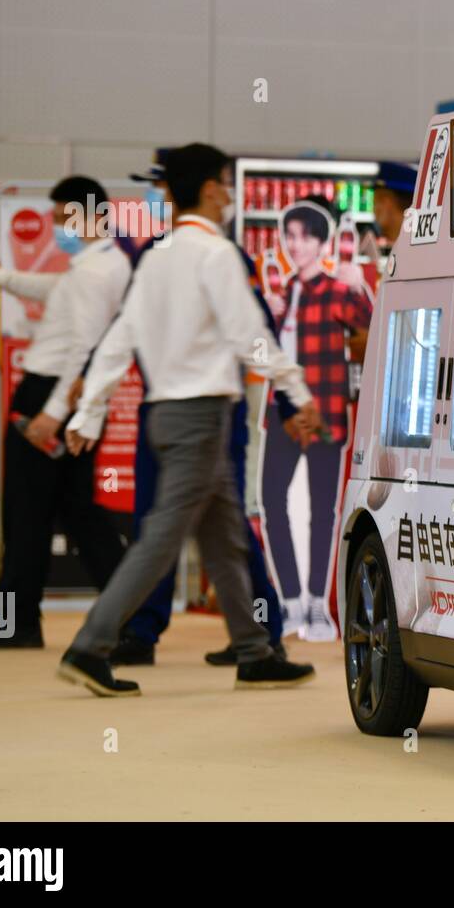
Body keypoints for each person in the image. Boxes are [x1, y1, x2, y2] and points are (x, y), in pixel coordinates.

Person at [58, 143, 320, 697]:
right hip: (202, 417)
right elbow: (250, 336)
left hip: (166, 415)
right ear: (207, 189)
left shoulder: (156, 256)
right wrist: (295, 391)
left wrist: (89, 412)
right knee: (160, 540)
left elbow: (119, 339)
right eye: (225, 182)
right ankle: (90, 646)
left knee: (224, 540)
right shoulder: (216, 254)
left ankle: (254, 652)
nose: (230, 192)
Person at [99, 166, 296, 667]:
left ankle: (258, 632)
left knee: (216, 531)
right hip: (163, 406)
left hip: (212, 411)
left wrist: (293, 398)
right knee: (170, 523)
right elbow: (127, 328)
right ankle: (146, 632)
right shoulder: (155, 253)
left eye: (162, 185)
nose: (159, 194)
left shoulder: (220, 254)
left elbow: (257, 328)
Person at [0, 176, 131, 649]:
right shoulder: (99, 266)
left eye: (61, 217)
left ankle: (18, 624)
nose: (56, 227)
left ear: (89, 215)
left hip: (50, 396)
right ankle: (129, 616)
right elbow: (51, 289)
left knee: (26, 514)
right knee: (80, 513)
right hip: (67, 400)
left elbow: (83, 351)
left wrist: (51, 414)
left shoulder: (92, 274)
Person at [260, 197, 372, 640]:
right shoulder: (282, 292)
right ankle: (290, 602)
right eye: (290, 236)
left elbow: (370, 327)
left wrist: (359, 287)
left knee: (323, 510)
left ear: (322, 243)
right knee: (273, 503)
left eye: (305, 237)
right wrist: (267, 315)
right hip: (282, 411)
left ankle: (315, 604)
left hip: (322, 413)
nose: (296, 245)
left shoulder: (336, 290)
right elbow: (261, 354)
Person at [357, 161, 415, 263]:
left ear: (386, 202)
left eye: (375, 203)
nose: (374, 211)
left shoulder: (413, 254)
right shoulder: (412, 250)